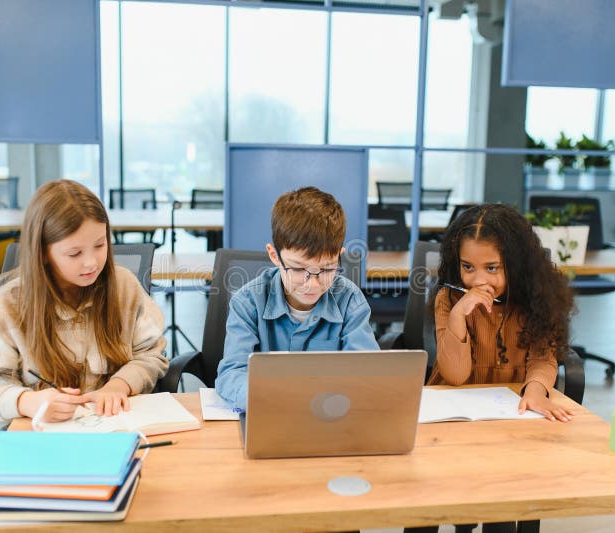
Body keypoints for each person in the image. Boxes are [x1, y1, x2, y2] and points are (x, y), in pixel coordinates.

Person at [0, 180, 168, 533]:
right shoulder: (9, 305)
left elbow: (152, 353)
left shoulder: (123, 287)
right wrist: (27, 401)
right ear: (42, 251)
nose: (91, 262)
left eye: (100, 246)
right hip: (11, 448)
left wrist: (119, 383)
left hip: (99, 449)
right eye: (74, 254)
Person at [409, 203, 576, 533]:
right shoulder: (449, 300)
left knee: (501, 506)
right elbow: (455, 375)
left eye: (492, 268)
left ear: (515, 265)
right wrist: (459, 316)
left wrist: (536, 390)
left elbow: (543, 357)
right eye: (467, 267)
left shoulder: (534, 301)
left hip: (506, 416)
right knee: (425, 505)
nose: (478, 280)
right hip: (452, 419)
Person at [215, 186, 379, 410]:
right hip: (270, 413)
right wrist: (267, 399)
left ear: (339, 257)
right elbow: (232, 373)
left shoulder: (350, 301)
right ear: (275, 256)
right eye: (299, 269)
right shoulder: (248, 302)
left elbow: (368, 373)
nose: (312, 284)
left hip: (331, 417)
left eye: (327, 269)